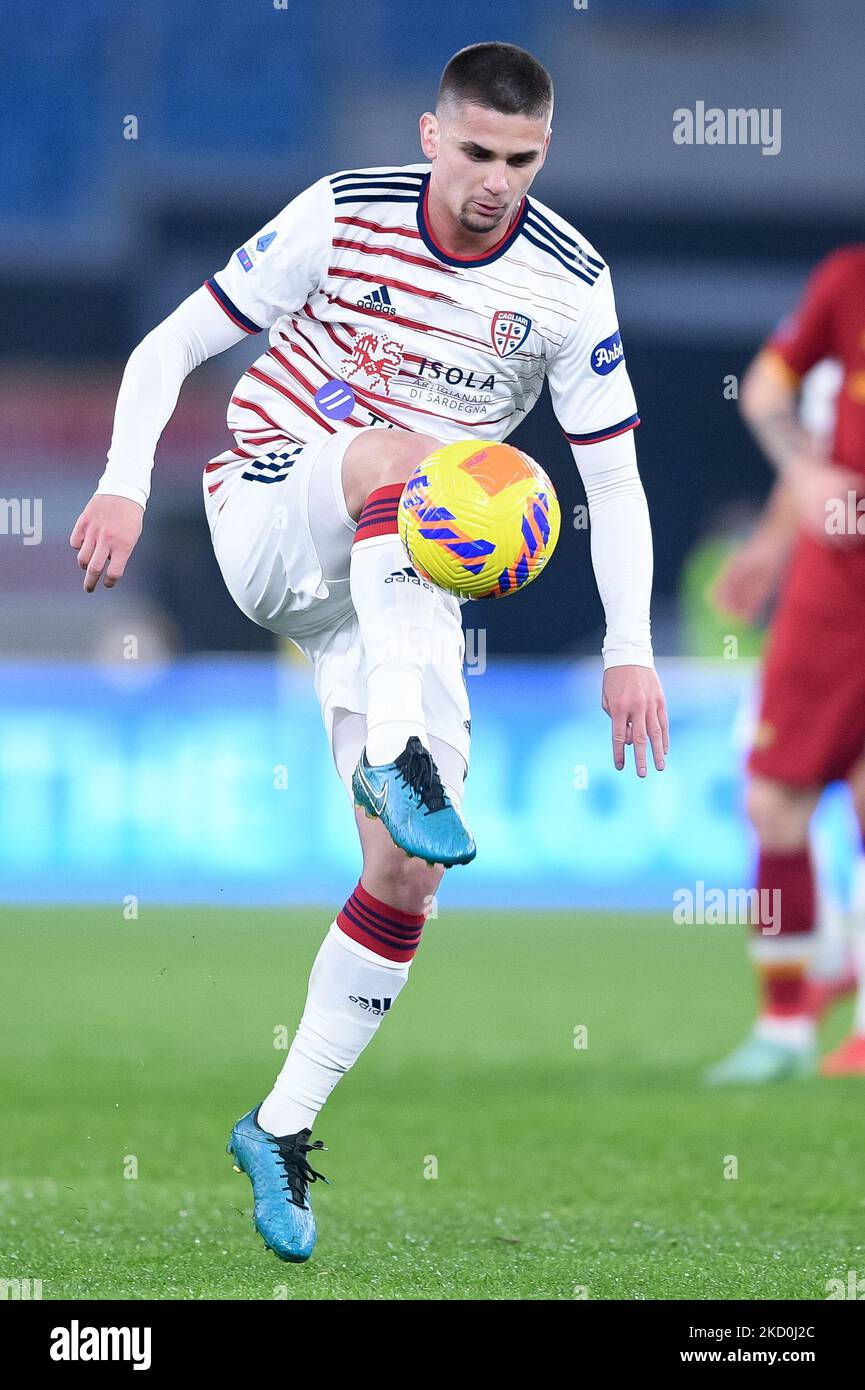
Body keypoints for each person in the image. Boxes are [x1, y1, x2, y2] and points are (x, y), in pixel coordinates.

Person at [70, 42, 668, 1260]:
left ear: (540, 154)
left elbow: (614, 473)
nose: (498, 180)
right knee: (407, 457)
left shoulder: (568, 282)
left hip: (396, 585)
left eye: (523, 158)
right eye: (478, 152)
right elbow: (165, 348)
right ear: (432, 134)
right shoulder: (343, 213)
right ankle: (398, 754)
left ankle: (278, 1126)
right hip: (275, 500)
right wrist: (126, 485)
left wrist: (633, 647)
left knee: (407, 877)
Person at [706, 251, 865, 1085]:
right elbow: (771, 391)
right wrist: (791, 503)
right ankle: (783, 1026)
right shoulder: (846, 283)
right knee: (772, 799)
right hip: (832, 584)